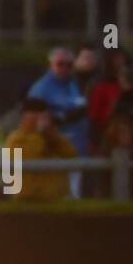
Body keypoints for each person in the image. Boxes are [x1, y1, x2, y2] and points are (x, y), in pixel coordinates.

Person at [26, 47, 89, 195]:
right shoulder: (41, 88)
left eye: (69, 64)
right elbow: (34, 119)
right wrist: (61, 117)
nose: (65, 68)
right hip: (54, 150)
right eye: (60, 64)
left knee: (75, 194)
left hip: (78, 148)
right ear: (50, 65)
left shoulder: (75, 84)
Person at [5, 97, 78, 201]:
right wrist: (40, 133)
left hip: (55, 200)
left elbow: (71, 155)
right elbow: (30, 158)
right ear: (24, 116)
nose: (40, 119)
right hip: (27, 200)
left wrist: (53, 136)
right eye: (35, 114)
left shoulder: (51, 136)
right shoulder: (15, 139)